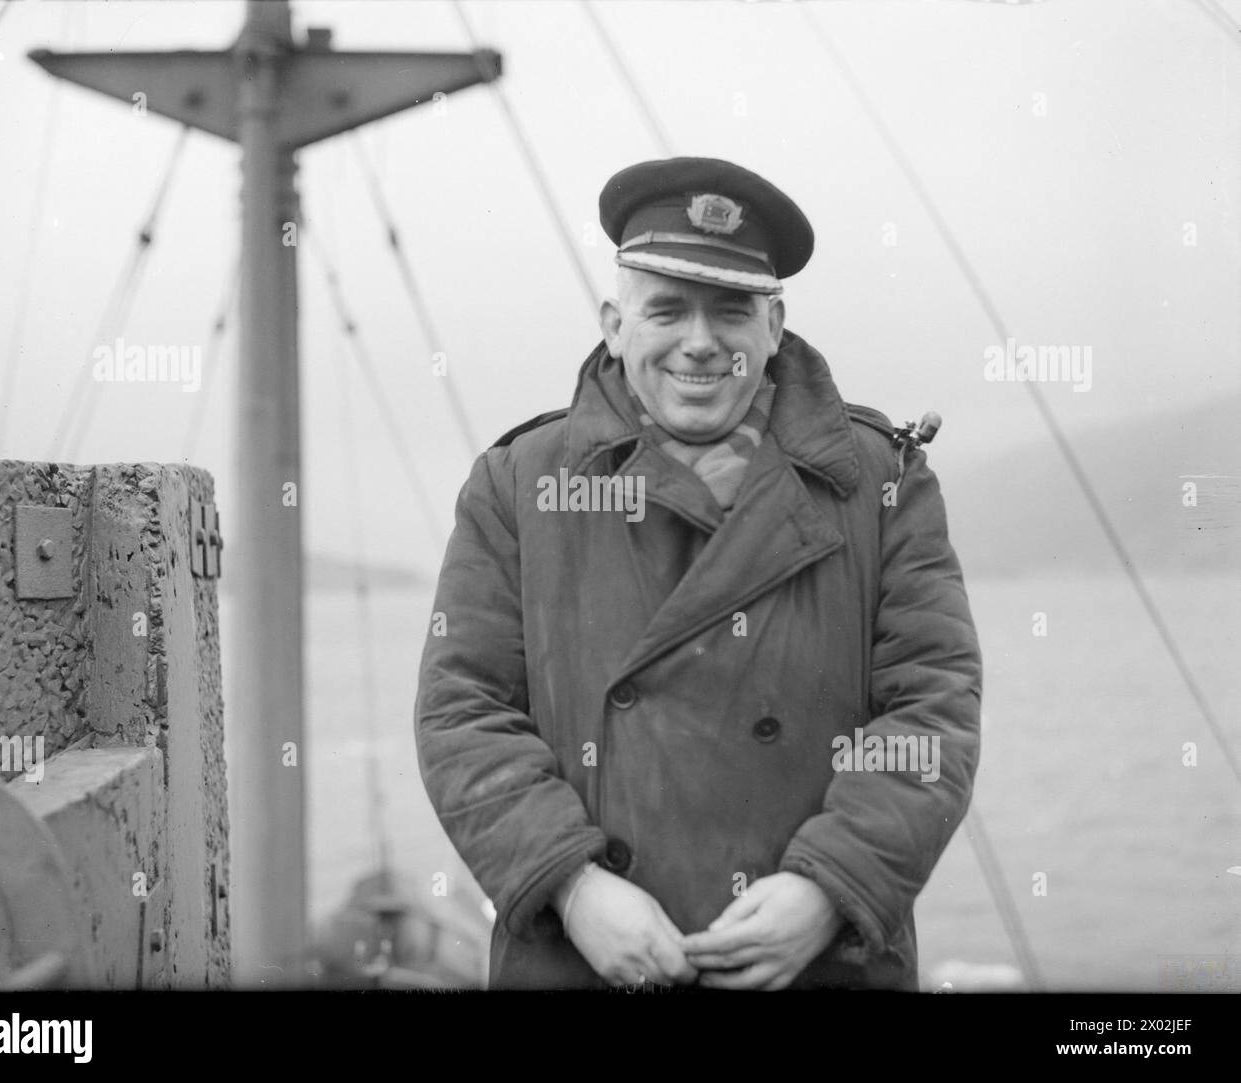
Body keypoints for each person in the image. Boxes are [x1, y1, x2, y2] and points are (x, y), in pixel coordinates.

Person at [414, 156, 982, 990]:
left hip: (819, 965)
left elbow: (932, 708)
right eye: (667, 309)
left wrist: (828, 888)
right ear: (614, 323)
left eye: (731, 311)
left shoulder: (882, 483)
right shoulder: (516, 484)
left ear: (775, 324)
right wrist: (573, 888)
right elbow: (462, 711)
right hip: (583, 964)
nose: (700, 342)